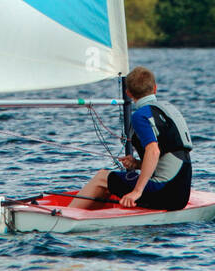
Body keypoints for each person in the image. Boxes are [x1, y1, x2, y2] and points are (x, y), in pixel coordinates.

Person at [69, 66, 193, 211]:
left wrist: (137, 192)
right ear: (155, 88)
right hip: (181, 193)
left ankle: (65, 215)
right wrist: (137, 164)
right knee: (114, 180)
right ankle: (88, 214)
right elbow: (170, 156)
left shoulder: (140, 116)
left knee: (103, 176)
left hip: (164, 193)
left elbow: (153, 151)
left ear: (128, 93)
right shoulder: (168, 110)